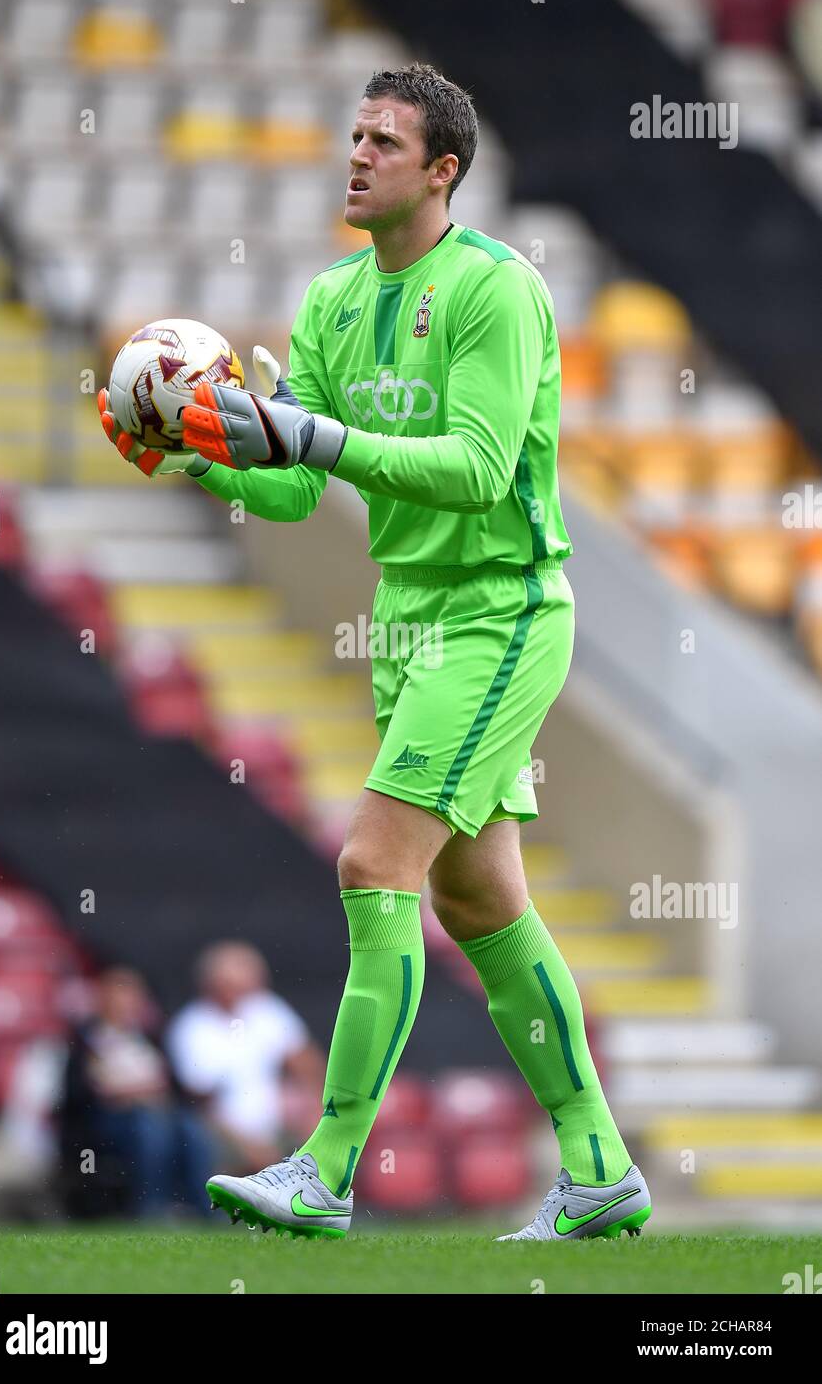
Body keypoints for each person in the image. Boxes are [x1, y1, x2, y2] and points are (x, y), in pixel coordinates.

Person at [98, 62, 651, 1242]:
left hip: (496, 612)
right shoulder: (335, 298)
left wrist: (311, 427)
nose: (355, 156)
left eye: (383, 142)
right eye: (352, 137)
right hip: (407, 620)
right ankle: (599, 1166)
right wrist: (195, 449)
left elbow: (476, 467)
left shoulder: (495, 290)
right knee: (474, 891)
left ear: (440, 170)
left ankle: (329, 1163)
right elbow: (299, 489)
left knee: (371, 862)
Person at [58, 967, 214, 1218]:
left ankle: (202, 1205)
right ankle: (150, 1205)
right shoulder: (86, 1039)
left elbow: (172, 1085)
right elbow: (80, 1092)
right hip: (107, 1123)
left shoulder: (149, 1038)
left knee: (190, 1127)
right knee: (148, 1126)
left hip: (158, 1113)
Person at [166, 942, 323, 1173]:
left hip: (278, 1126)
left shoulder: (265, 1009)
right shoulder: (192, 1027)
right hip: (221, 1136)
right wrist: (248, 1145)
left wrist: (315, 1109)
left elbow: (306, 1061)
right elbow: (200, 1105)